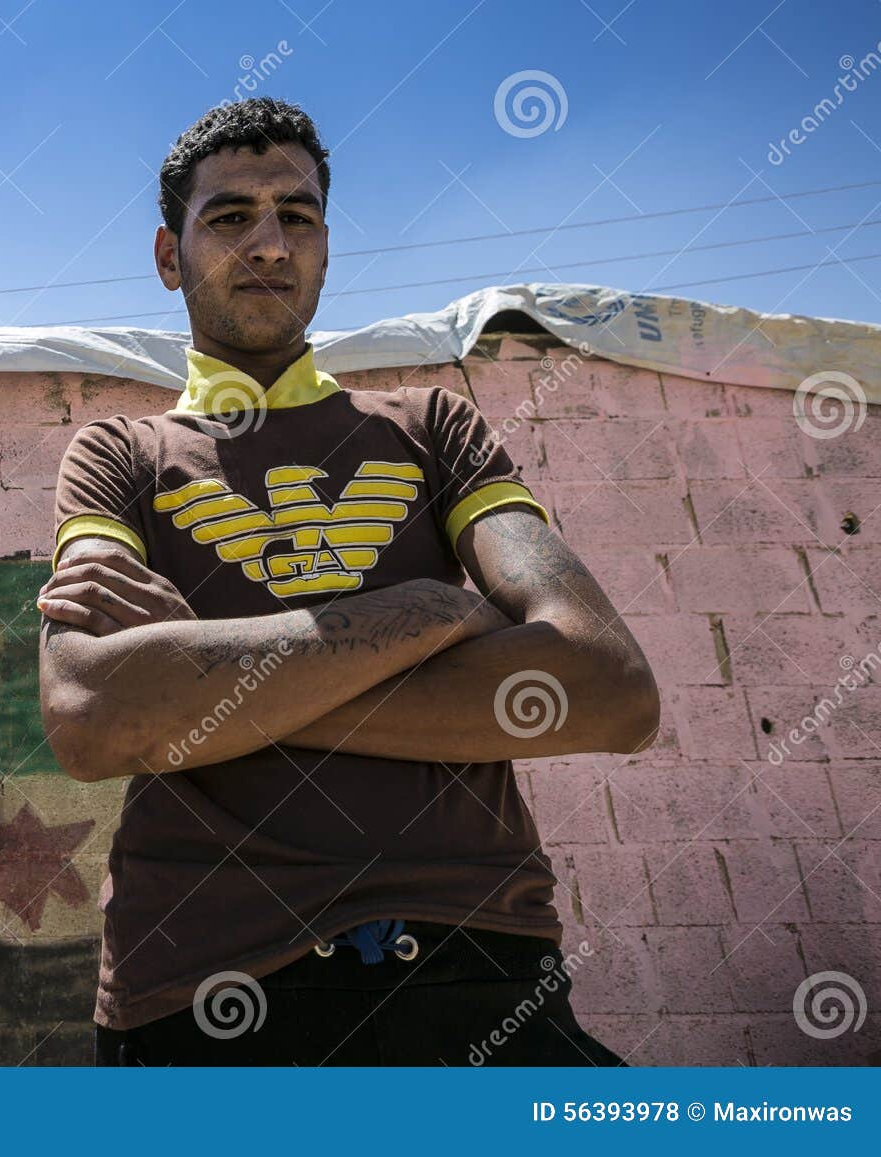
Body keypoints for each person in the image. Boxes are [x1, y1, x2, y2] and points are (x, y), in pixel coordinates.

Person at [35, 97, 659, 1066]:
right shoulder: (119, 454)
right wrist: (429, 608)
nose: (270, 244)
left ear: (327, 247)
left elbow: (607, 689)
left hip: (469, 952)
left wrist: (208, 685)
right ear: (170, 255)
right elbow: (92, 714)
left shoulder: (433, 429)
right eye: (231, 216)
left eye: (299, 215)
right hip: (201, 970)